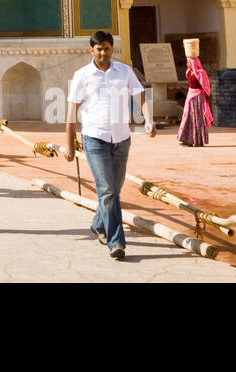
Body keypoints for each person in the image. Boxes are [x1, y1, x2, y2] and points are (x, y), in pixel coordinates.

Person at [64, 30, 155, 260]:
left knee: (113, 190)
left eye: (106, 48)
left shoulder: (124, 71)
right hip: (95, 139)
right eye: (99, 49)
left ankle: (98, 224)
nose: (103, 53)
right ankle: (117, 242)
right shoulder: (82, 75)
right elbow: (71, 112)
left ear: (112, 49)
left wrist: (149, 119)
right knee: (107, 190)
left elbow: (141, 95)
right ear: (92, 50)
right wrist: (70, 145)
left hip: (122, 139)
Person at [177, 38, 212, 147]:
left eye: (189, 62)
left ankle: (197, 140)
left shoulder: (201, 73)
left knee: (197, 119)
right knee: (188, 117)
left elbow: (205, 87)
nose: (188, 63)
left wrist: (204, 98)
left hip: (198, 99)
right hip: (190, 97)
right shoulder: (189, 72)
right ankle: (186, 139)